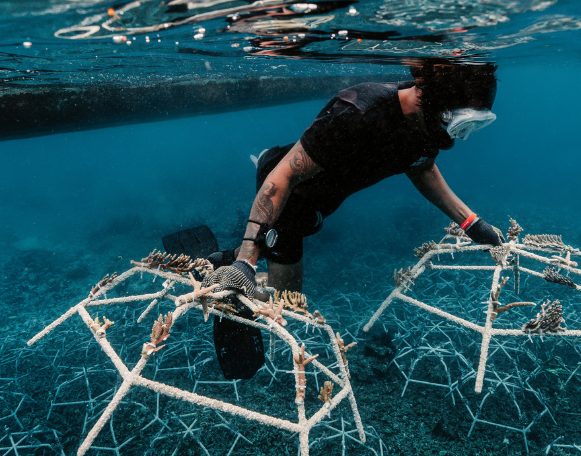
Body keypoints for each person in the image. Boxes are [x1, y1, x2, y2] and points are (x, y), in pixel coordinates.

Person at [203, 61, 506, 298]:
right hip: (290, 195)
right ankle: (227, 269)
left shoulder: (425, 126)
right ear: (440, 108)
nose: (461, 137)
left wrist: (473, 225)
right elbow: (281, 179)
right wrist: (246, 261)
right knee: (285, 300)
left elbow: (421, 167)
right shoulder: (357, 113)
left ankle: (229, 258)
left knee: (288, 256)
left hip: (318, 205)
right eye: (462, 124)